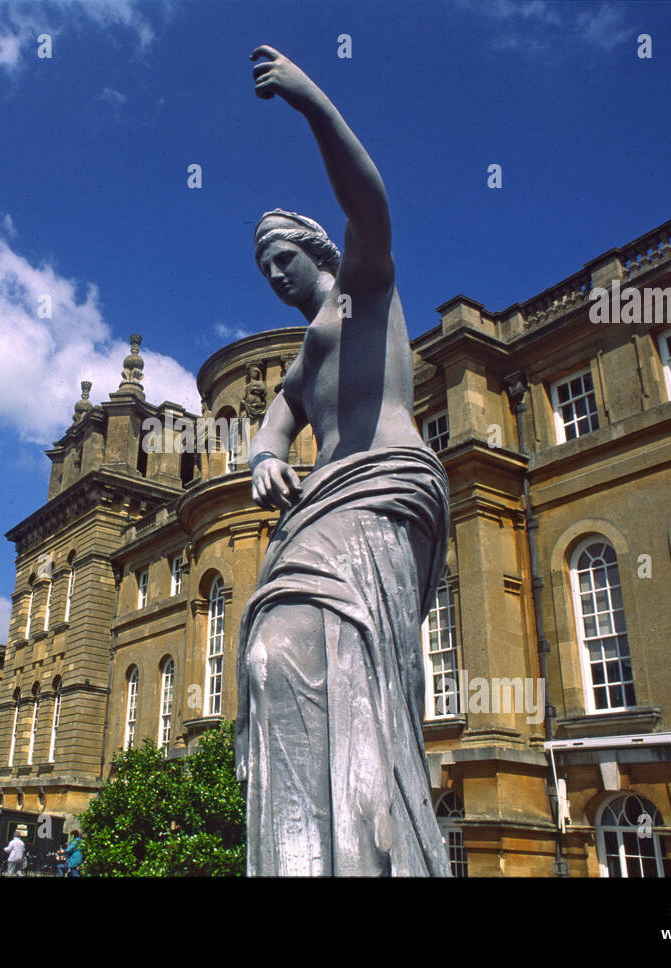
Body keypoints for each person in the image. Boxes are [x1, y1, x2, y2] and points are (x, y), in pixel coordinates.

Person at [235, 46, 452, 877]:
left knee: (316, 649)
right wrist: (262, 461)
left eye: (280, 261)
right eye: (262, 270)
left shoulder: (364, 290)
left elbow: (371, 201)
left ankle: (363, 848)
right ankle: (308, 852)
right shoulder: (300, 358)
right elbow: (274, 422)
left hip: (379, 484)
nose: (272, 278)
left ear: (316, 251)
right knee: (271, 657)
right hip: (322, 503)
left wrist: (309, 101)